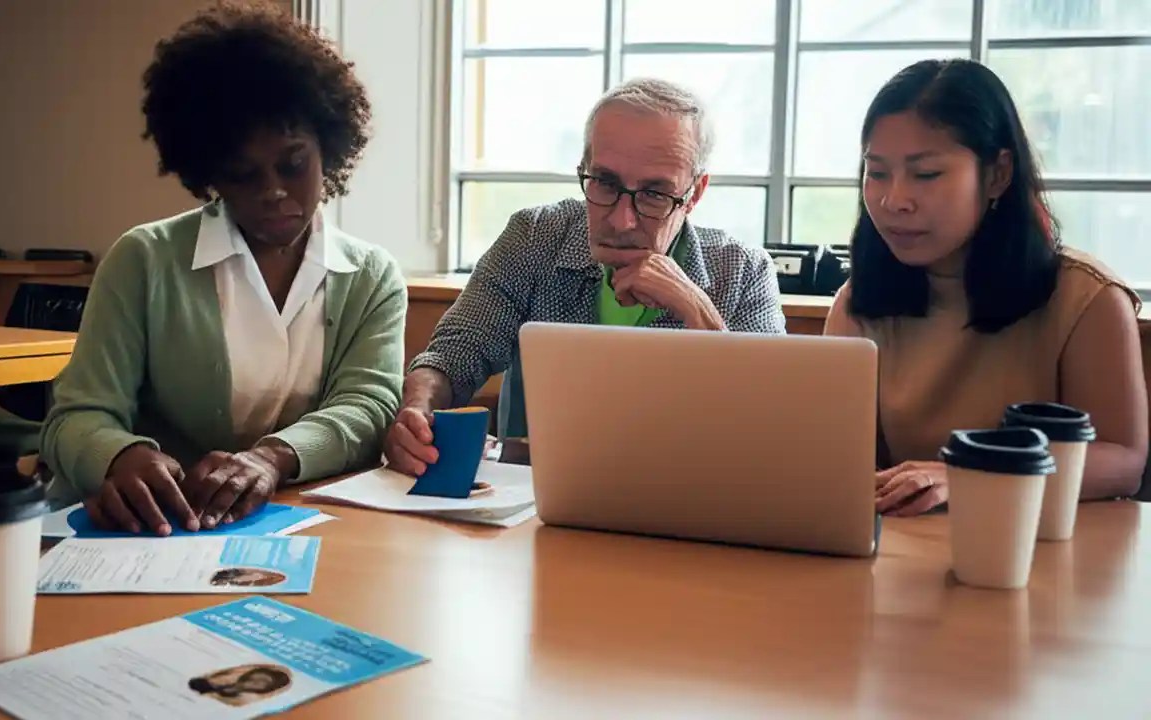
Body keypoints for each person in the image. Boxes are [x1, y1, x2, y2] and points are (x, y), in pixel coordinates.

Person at [40, 1, 405, 534]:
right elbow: (74, 417)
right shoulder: (143, 261)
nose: (274, 191)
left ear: (329, 145)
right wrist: (120, 457)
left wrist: (270, 458)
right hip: (147, 538)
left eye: (293, 163)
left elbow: (369, 407)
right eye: (242, 174)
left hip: (299, 539)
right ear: (209, 173)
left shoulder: (369, 276)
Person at [385, 78, 786, 476]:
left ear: (695, 194)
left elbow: (773, 431)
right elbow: (454, 355)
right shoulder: (535, 239)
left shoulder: (742, 272)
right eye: (605, 184)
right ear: (585, 170)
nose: (622, 219)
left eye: (654, 195)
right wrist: (418, 409)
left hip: (693, 502)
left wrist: (700, 315)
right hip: (538, 500)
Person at [824, 58, 1147, 517]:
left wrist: (970, 475)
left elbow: (1123, 460)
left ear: (997, 174)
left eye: (926, 174)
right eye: (877, 173)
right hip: (903, 554)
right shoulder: (859, 302)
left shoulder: (1086, 299)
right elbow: (837, 461)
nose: (894, 200)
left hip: (1044, 555)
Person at [189, 665, 293, 707]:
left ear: (265, 689)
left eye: (263, 682)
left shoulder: (240, 700)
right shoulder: (223, 679)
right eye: (255, 677)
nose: (255, 682)